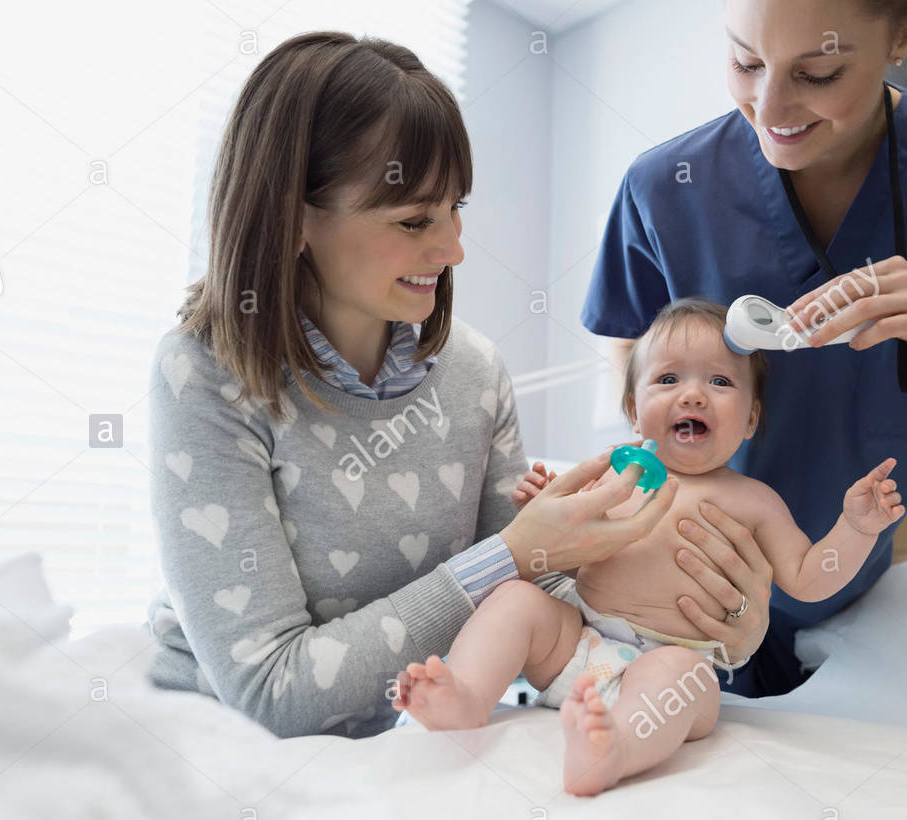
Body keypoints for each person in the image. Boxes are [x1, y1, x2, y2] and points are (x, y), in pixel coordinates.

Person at [144, 32, 763, 739]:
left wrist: (703, 624)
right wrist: (516, 555)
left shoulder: (473, 372)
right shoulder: (203, 374)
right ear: (293, 219)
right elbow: (272, 693)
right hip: (214, 749)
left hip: (398, 742)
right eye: (414, 220)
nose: (453, 250)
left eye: (454, 208)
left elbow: (541, 602)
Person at [581, 0, 907, 697]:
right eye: (745, 62)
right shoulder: (664, 189)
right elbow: (635, 366)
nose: (769, 107)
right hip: (683, 611)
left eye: (817, 72)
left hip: (856, 619)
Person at [392, 299, 905, 794]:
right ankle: (466, 697)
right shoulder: (616, 473)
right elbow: (559, 559)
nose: (693, 396)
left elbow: (809, 577)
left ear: (750, 419)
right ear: (635, 411)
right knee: (514, 602)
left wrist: (856, 528)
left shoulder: (755, 502)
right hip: (576, 645)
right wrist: (540, 511)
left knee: (678, 674)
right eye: (668, 379)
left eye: (720, 381)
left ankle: (613, 749)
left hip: (673, 670)